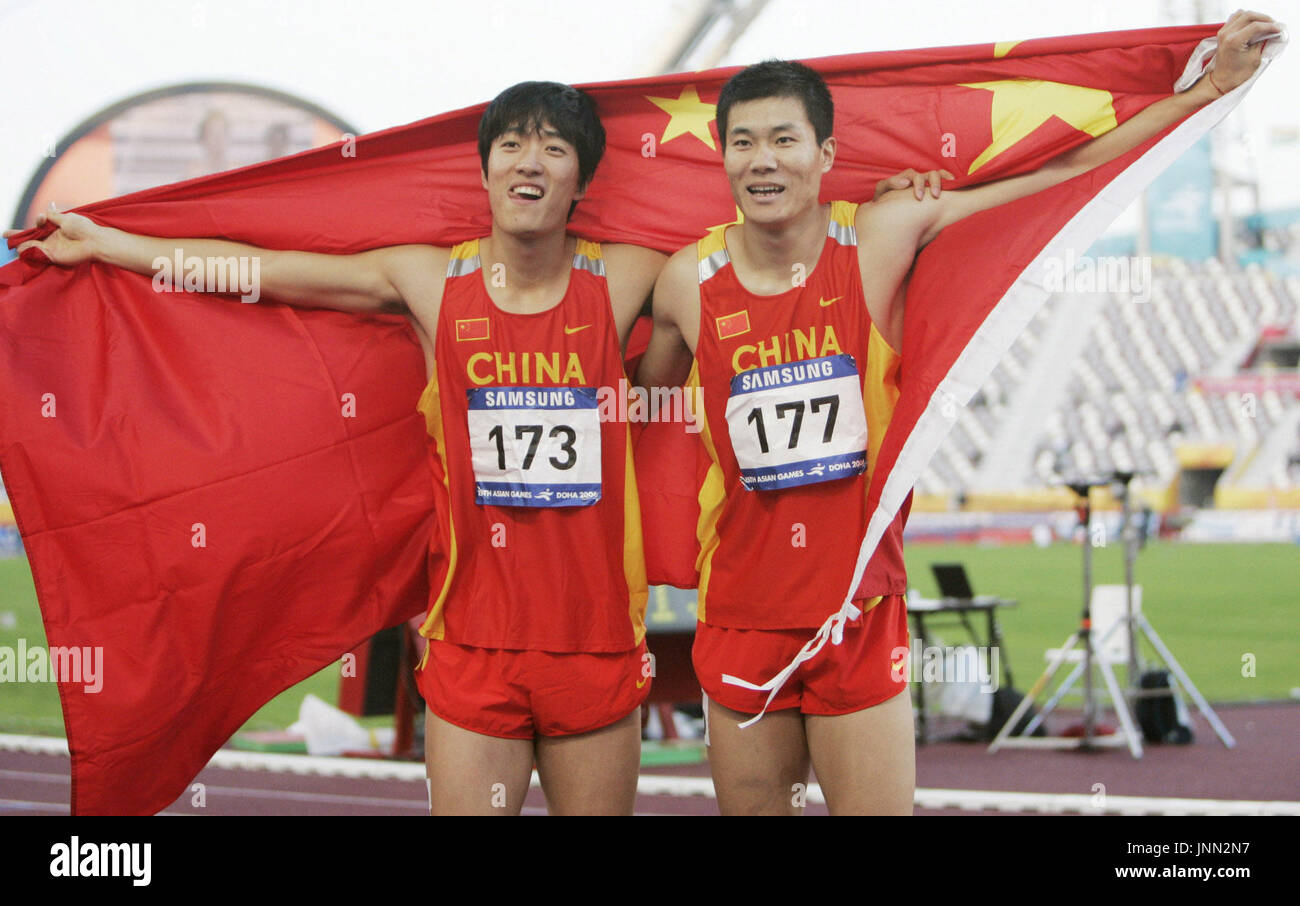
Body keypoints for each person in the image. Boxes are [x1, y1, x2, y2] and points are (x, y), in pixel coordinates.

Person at [9, 77, 960, 815]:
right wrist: (115, 246)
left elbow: (735, 272)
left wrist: (905, 197)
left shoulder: (631, 275)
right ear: (486, 169)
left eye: (553, 148)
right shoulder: (429, 282)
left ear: (582, 181)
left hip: (596, 647)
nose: (530, 163)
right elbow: (270, 276)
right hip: (469, 651)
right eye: (512, 146)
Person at [635, 11, 1276, 815]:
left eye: (784, 139)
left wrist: (1203, 92)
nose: (763, 160)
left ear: (824, 155)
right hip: (738, 615)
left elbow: (1059, 171)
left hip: (855, 613)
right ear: (720, 154)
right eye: (743, 142)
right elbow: (638, 403)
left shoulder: (880, 236)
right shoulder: (685, 284)